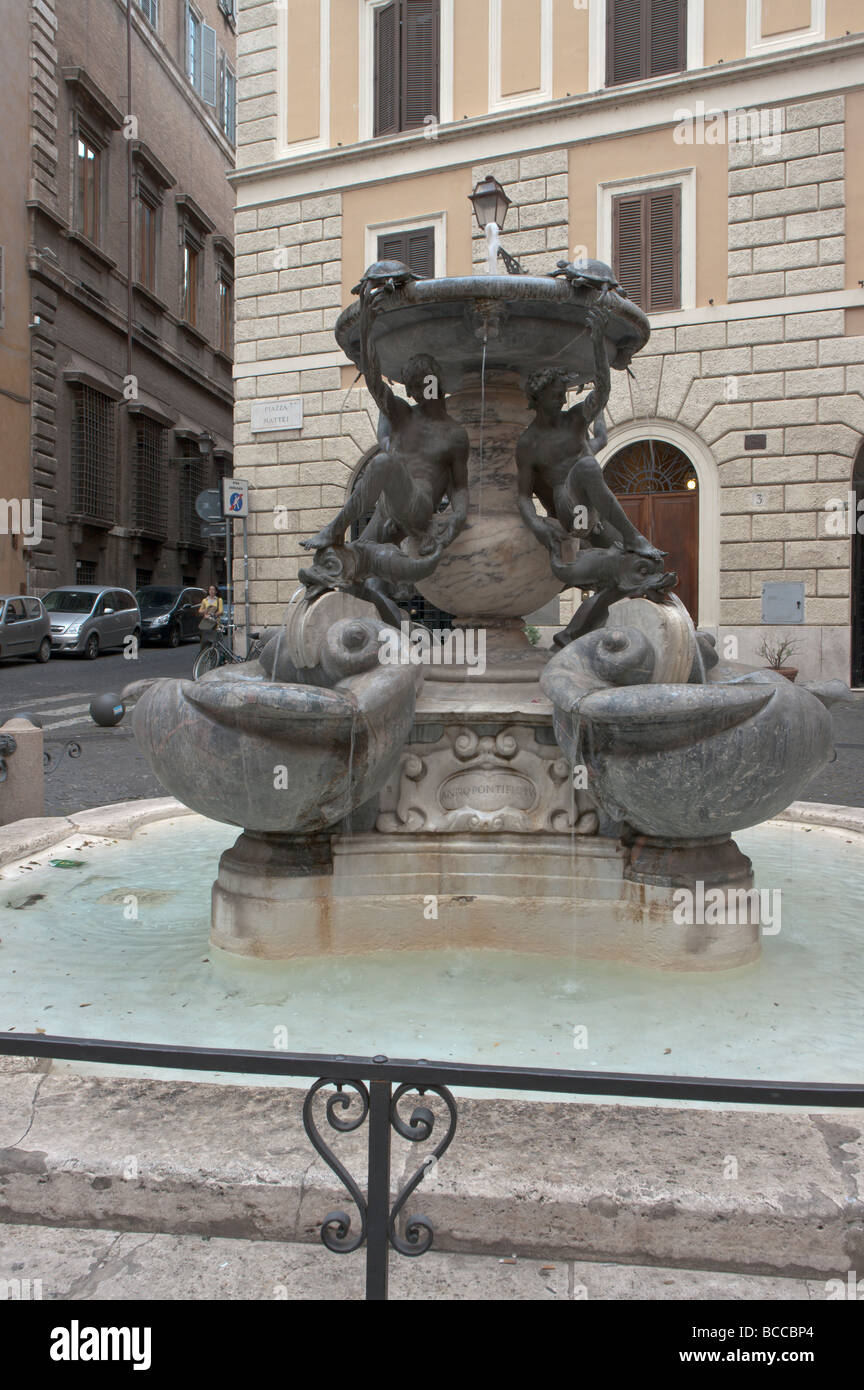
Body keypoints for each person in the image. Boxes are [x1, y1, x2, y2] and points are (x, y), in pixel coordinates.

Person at [516, 305, 661, 563]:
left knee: (636, 566)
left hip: (592, 513)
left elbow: (602, 393)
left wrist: (597, 344)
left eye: (564, 393)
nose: (562, 398)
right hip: (570, 512)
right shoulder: (529, 443)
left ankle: (626, 556)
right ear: (537, 397)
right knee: (586, 465)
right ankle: (632, 537)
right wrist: (538, 526)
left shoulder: (574, 420)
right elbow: (523, 496)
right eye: (556, 394)